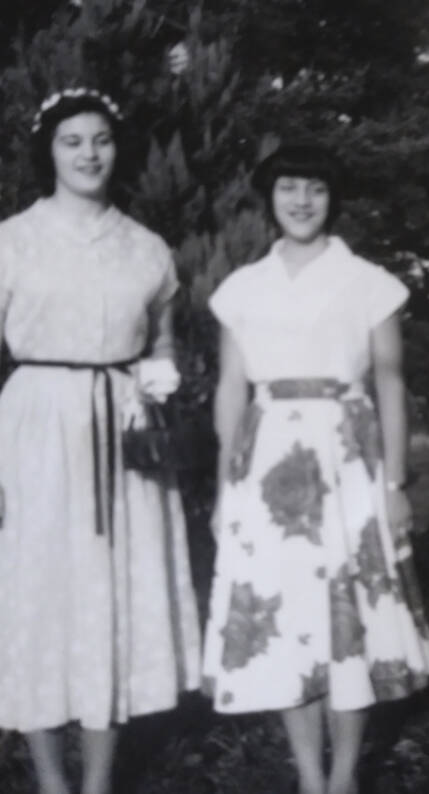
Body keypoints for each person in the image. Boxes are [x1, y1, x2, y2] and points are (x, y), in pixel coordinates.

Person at [201, 143, 429, 794]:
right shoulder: (242, 288)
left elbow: (390, 383)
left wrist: (393, 484)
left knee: (347, 618)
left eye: (315, 189)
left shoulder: (368, 282)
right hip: (267, 464)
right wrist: (227, 487)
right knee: (286, 617)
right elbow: (230, 390)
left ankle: (342, 777)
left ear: (333, 199)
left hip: (348, 464)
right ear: (269, 197)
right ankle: (307, 776)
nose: (301, 201)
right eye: (288, 189)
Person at [0, 88, 202, 794]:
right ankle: (52, 781)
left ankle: (98, 785)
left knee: (109, 594)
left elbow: (163, 344)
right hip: (35, 426)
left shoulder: (146, 248)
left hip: (124, 434)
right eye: (72, 141)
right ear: (48, 151)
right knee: (40, 591)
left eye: (102, 140)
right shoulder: (10, 240)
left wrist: (158, 389)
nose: (89, 154)